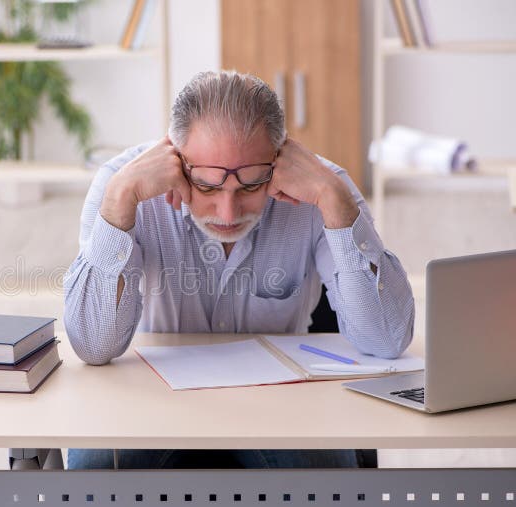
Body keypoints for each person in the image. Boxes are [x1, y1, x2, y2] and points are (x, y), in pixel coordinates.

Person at [63, 70, 415, 470]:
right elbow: (93, 347)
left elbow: (387, 339)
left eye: (250, 186)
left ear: (279, 157)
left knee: (326, 485)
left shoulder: (324, 187)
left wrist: (334, 202)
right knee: (94, 474)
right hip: (151, 397)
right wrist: (119, 205)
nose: (228, 214)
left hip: (279, 403)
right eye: (208, 187)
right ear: (176, 158)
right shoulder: (120, 186)